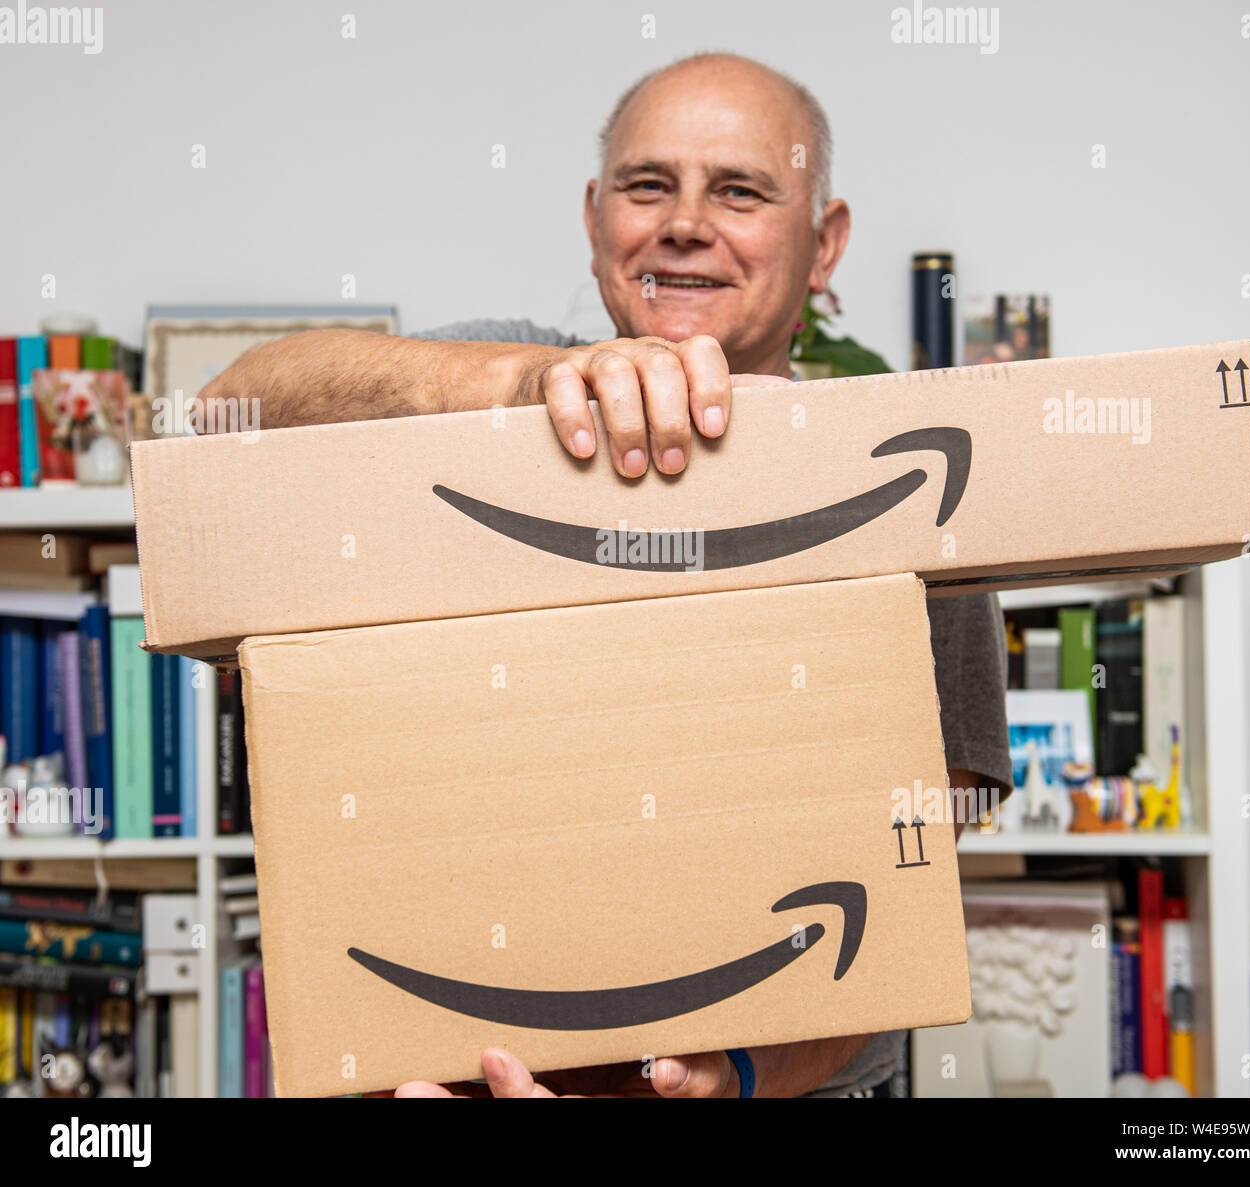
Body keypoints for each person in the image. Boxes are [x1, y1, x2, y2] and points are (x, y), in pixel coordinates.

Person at [197, 51, 1012, 1098]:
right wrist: (519, 383)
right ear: (594, 223)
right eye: (646, 185)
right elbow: (222, 416)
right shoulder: (485, 395)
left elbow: (909, 902)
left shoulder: (897, 479)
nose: (683, 222)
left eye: (740, 190)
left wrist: (738, 1072)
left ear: (825, 242)